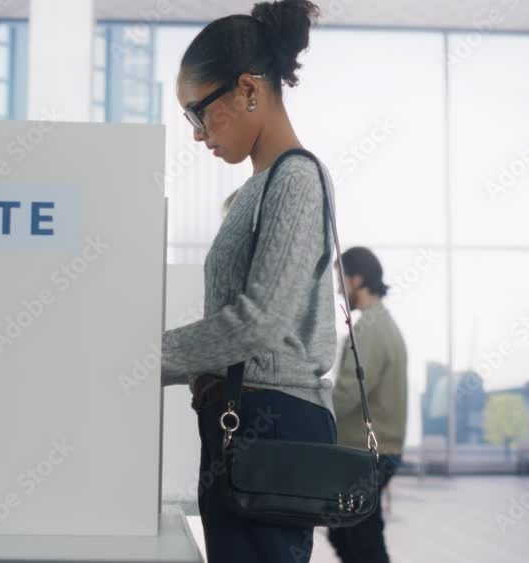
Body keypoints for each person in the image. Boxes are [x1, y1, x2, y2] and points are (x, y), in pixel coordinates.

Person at [159, 2, 338, 561]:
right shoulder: (253, 191)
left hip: (271, 426)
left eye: (198, 113)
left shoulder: (297, 178)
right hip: (246, 424)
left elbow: (260, 321)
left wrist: (144, 357)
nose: (196, 134)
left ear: (247, 91)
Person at [328, 247, 407, 563]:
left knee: (363, 539)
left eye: (339, 278)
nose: (337, 287)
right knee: (347, 530)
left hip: (368, 453)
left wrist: (314, 410)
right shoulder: (379, 323)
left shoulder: (369, 329)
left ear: (357, 279)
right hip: (376, 450)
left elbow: (349, 391)